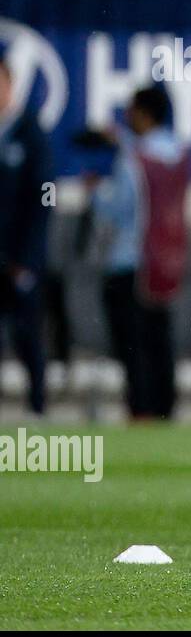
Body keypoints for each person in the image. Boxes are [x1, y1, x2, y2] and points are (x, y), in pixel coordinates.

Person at [92, 84, 191, 421]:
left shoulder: (132, 159)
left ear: (144, 114)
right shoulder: (179, 153)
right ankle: (165, 408)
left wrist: (95, 194)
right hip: (167, 260)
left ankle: (141, 409)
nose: (127, 117)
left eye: (132, 111)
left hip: (130, 260)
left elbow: (119, 208)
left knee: (132, 344)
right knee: (159, 339)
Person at [0, 57, 51, 417]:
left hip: (20, 259)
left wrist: (27, 258)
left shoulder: (30, 133)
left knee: (27, 334)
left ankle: (37, 408)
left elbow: (43, 199)